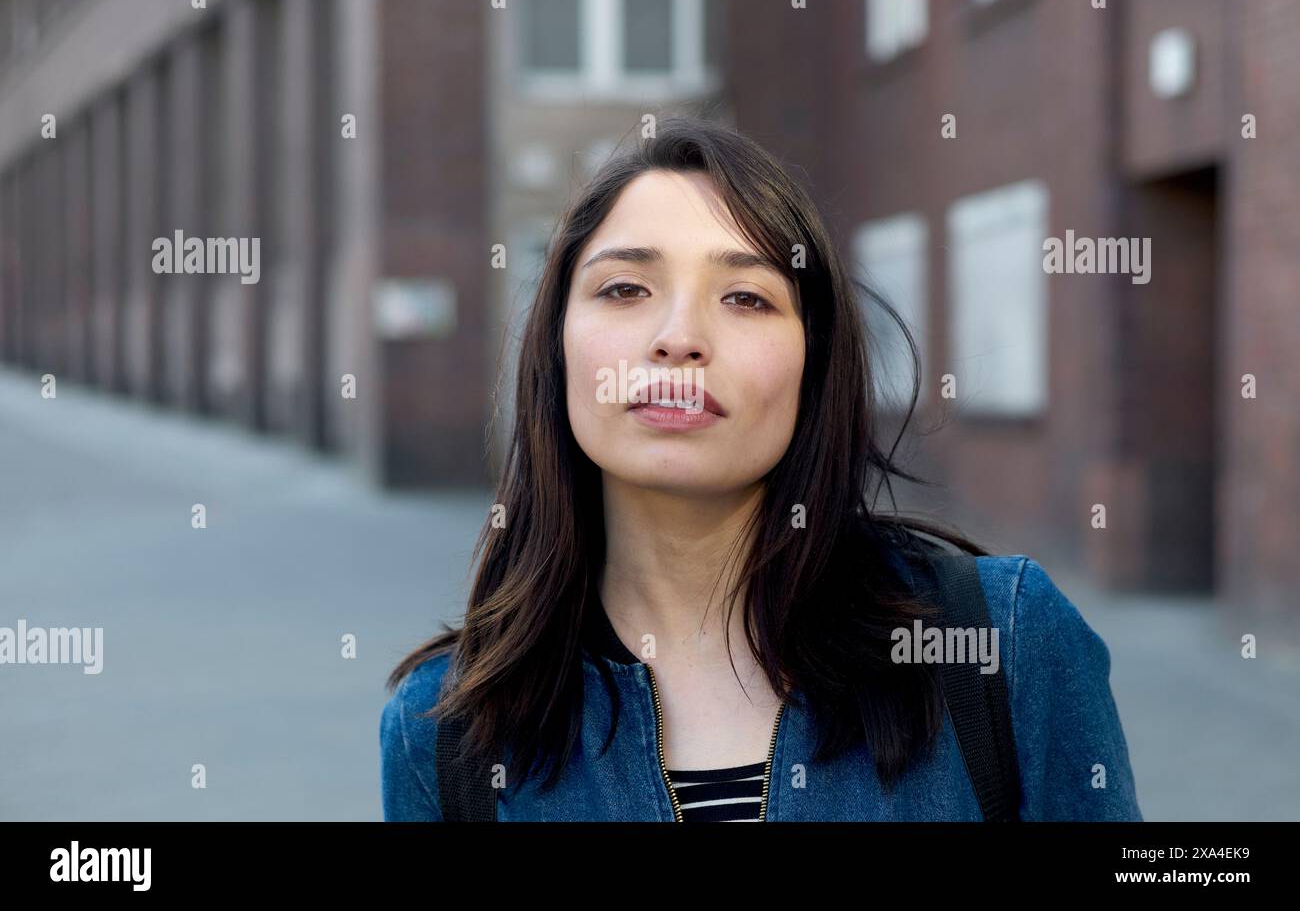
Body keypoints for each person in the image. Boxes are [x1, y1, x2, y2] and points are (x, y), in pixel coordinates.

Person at [380, 116, 1142, 821]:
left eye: (745, 297)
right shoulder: (447, 730)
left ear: (815, 368)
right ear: (556, 347)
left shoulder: (1001, 641)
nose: (679, 338)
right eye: (625, 289)